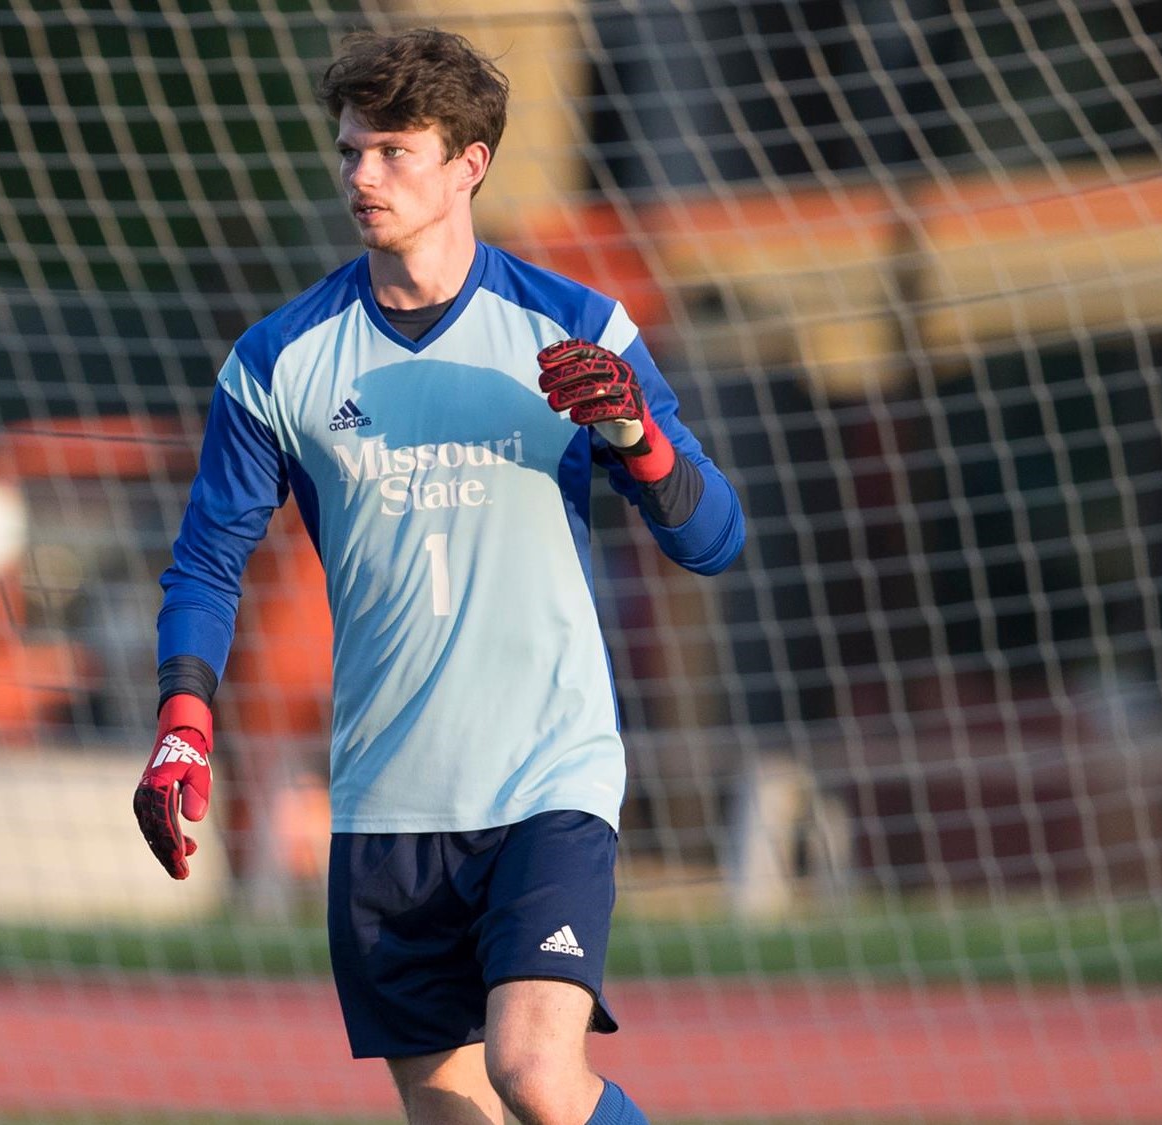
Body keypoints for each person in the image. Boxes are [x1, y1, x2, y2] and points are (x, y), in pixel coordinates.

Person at [134, 27, 745, 1125]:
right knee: (452, 1111)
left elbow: (713, 538)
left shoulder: (574, 330)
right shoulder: (278, 360)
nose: (361, 177)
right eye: (348, 152)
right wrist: (184, 717)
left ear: (467, 163)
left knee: (534, 1074)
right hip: (385, 800)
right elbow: (207, 558)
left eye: (392, 152)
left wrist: (634, 436)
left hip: (545, 778)